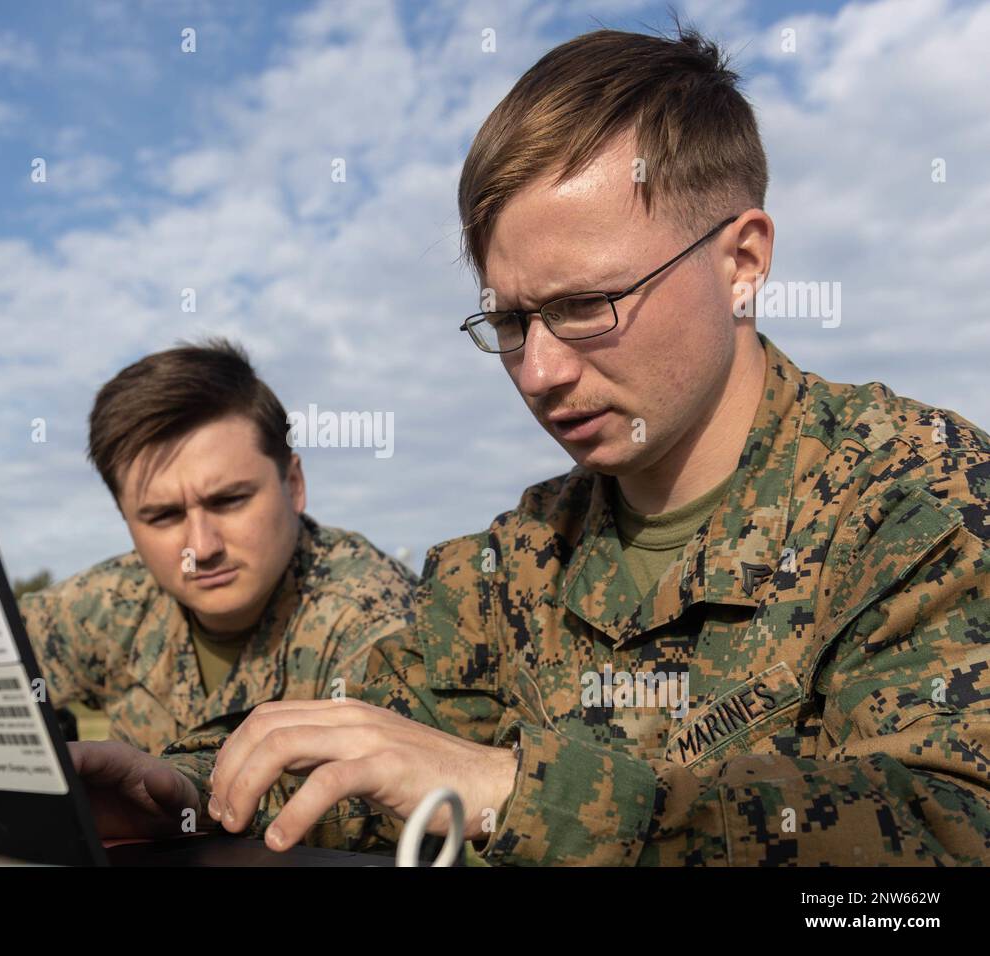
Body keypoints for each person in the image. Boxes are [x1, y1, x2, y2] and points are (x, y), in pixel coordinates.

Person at [69, 26, 990, 865]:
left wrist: (510, 793)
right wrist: (176, 791)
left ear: (741, 262)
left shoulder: (924, 503)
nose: (539, 370)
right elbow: (366, 751)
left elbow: (942, 841)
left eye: (585, 306)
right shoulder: (515, 564)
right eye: (510, 322)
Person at [18, 339, 416, 759]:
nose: (202, 548)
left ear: (294, 485)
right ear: (126, 519)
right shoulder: (109, 603)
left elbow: (374, 805)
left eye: (229, 501)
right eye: (163, 516)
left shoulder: (375, 622)